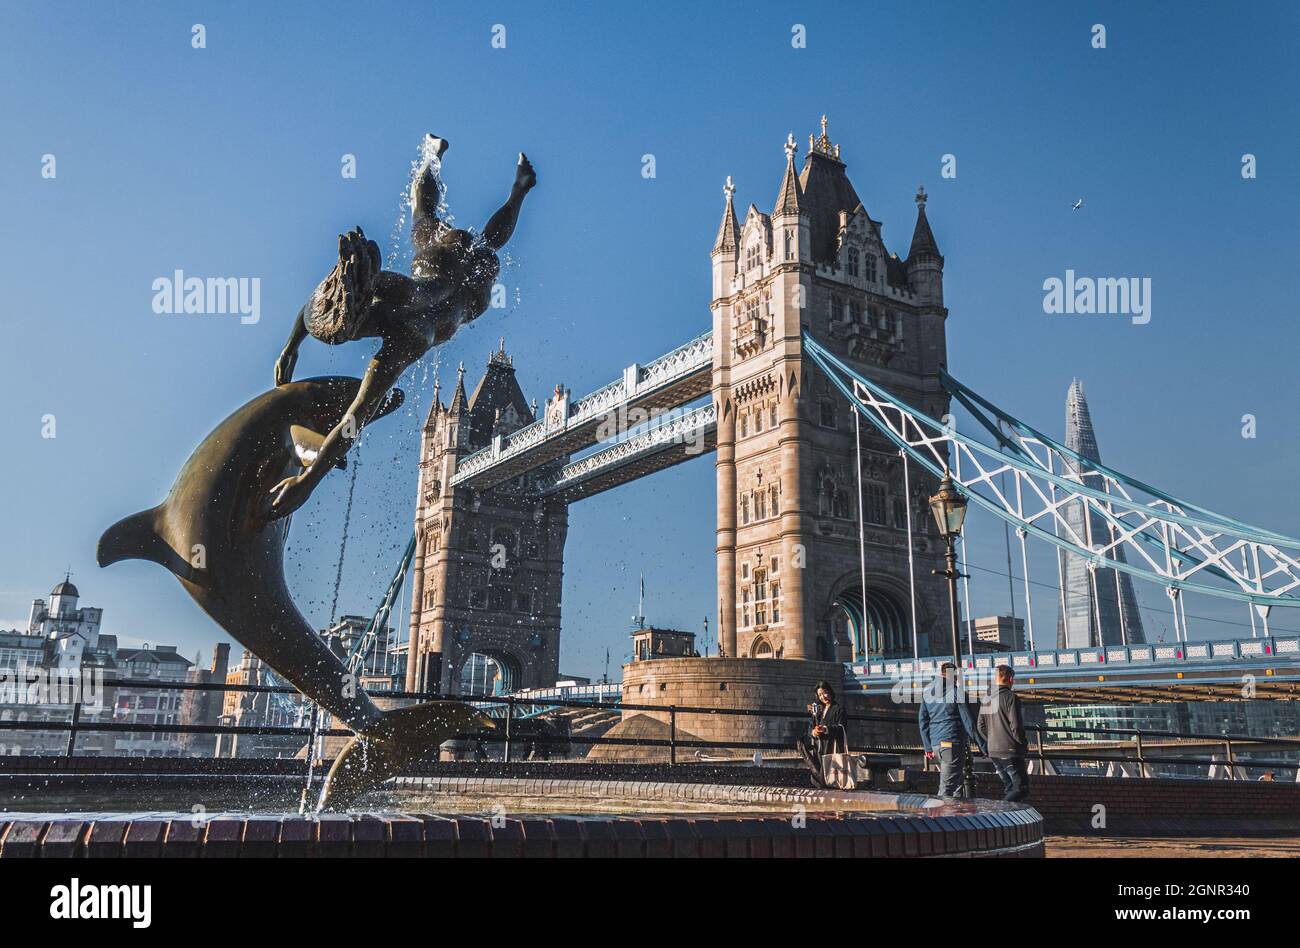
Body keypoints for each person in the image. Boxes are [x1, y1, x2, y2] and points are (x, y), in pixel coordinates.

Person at [267, 133, 537, 518]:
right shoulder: (383, 287)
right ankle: (494, 180)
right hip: (443, 273)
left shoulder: (405, 341)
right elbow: (326, 301)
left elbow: (353, 419)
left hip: (466, 292)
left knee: (453, 233)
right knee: (428, 219)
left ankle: (506, 186)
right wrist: (290, 346)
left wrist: (308, 483)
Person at [918, 662, 987, 798]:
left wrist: (928, 747)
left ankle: (957, 815)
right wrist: (982, 745)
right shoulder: (956, 693)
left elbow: (923, 721)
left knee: (957, 783)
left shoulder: (927, 694)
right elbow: (969, 722)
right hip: (950, 745)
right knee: (946, 789)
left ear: (940, 674)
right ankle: (938, 817)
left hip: (936, 745)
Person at [978, 665, 1030, 802]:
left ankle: (1011, 819)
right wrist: (1023, 744)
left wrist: (991, 740)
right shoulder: (1011, 697)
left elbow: (980, 726)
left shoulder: (986, 699)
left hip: (993, 751)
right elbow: (1016, 726)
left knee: (1010, 787)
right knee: (1021, 788)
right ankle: (1000, 811)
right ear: (1011, 679)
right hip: (1010, 750)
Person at [796, 681, 847, 788]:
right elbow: (811, 726)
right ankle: (821, 780)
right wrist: (813, 732)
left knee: (825, 774)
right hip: (818, 746)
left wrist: (825, 729)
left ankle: (823, 782)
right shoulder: (818, 709)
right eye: (820, 695)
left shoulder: (838, 709)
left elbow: (841, 727)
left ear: (830, 692)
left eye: (825, 693)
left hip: (830, 746)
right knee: (800, 743)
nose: (823, 697)